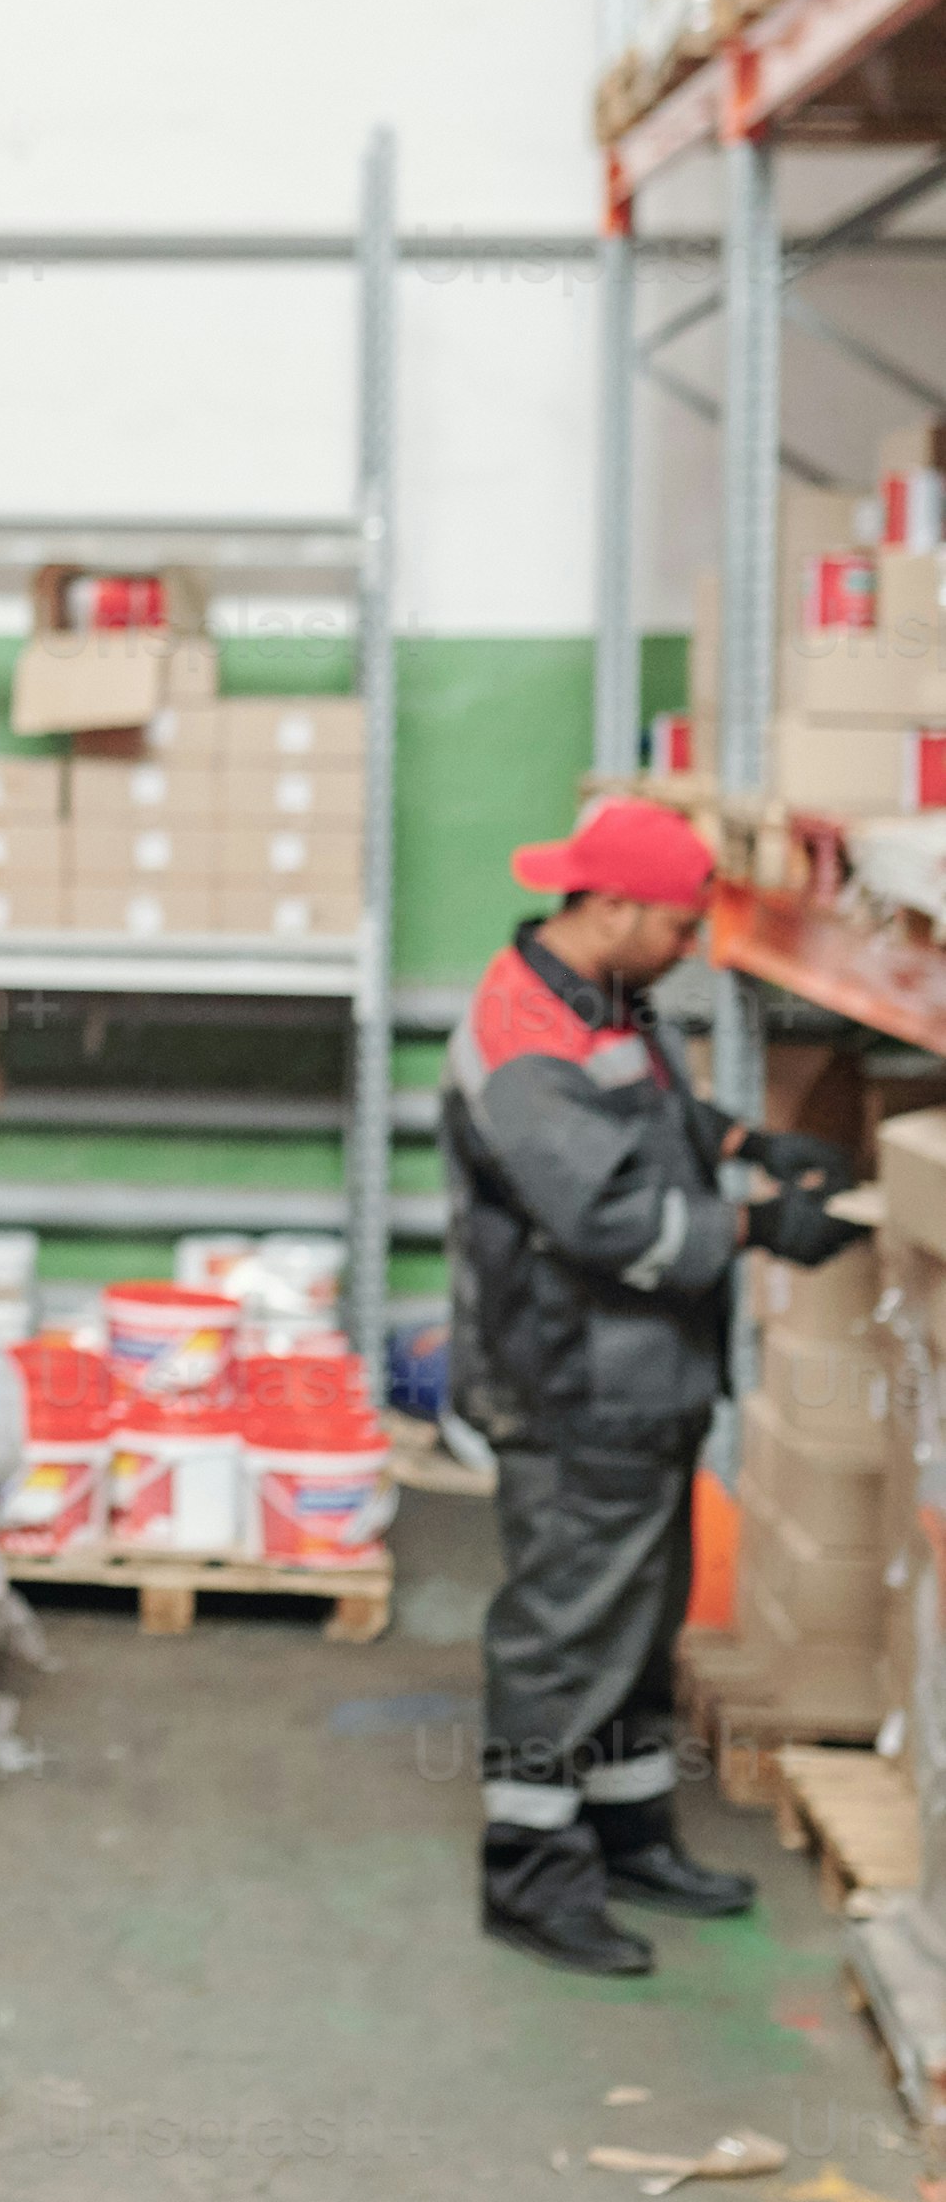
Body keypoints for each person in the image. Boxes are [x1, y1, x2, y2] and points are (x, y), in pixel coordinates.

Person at [440, 792, 864, 1977]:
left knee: (638, 1619)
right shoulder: (522, 1034)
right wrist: (762, 1226)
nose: (692, 945)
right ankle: (531, 1871)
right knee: (566, 1630)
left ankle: (627, 1831)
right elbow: (602, 1213)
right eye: (681, 924)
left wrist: (745, 1145)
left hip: (644, 1374)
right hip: (572, 1381)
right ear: (614, 904)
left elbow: (652, 1121)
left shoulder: (605, 996)